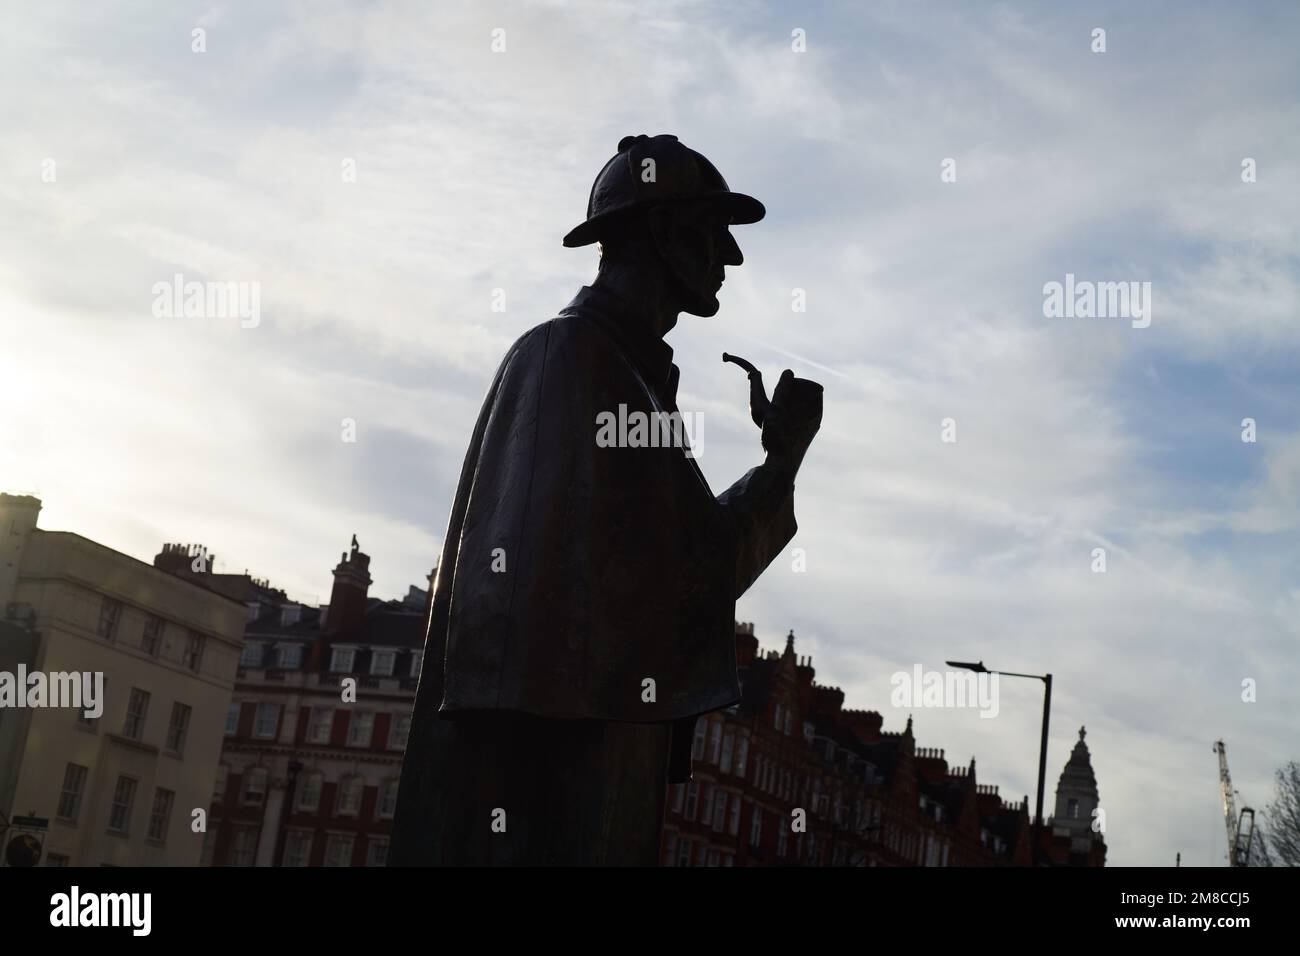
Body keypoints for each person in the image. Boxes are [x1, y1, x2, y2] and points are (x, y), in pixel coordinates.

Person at [390, 134, 823, 865]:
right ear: (661, 231)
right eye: (714, 230)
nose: (731, 256)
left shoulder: (622, 370)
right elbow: (528, 632)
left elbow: (688, 568)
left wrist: (781, 463)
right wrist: (780, 468)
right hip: (550, 791)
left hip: (595, 764)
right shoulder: (574, 358)